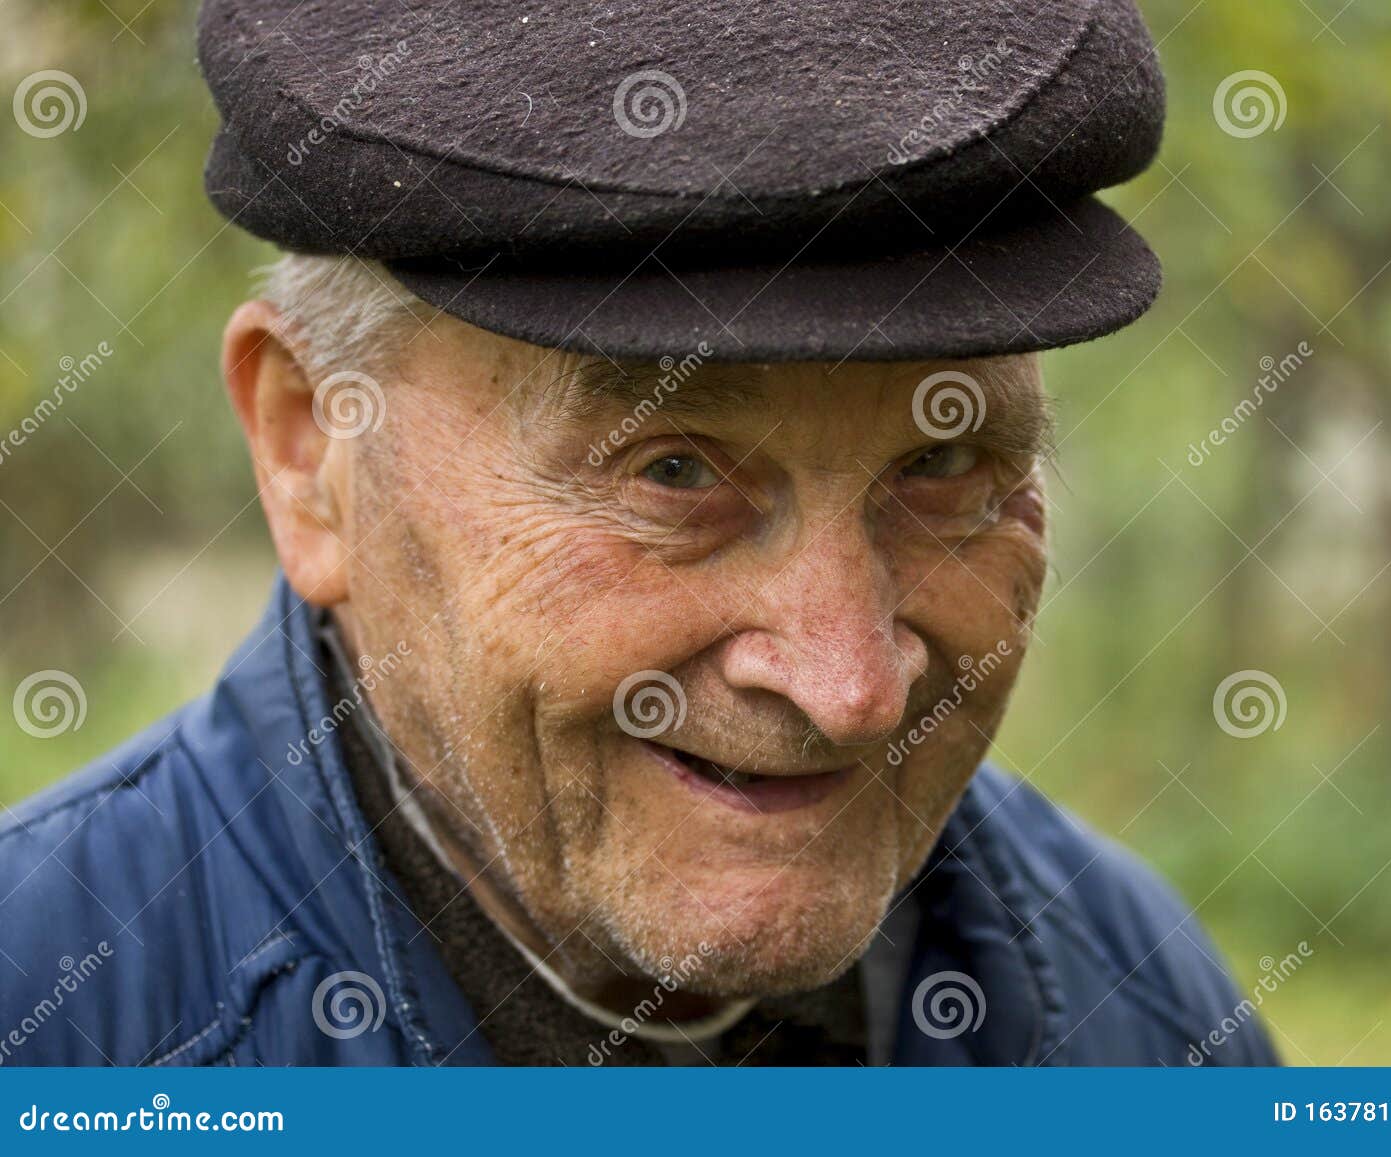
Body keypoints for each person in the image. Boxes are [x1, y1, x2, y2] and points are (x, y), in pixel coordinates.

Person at [0, 0, 1274, 1066]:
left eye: (942, 464)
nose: (850, 688)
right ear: (309, 451)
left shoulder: (1144, 1016)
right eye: (673, 470)